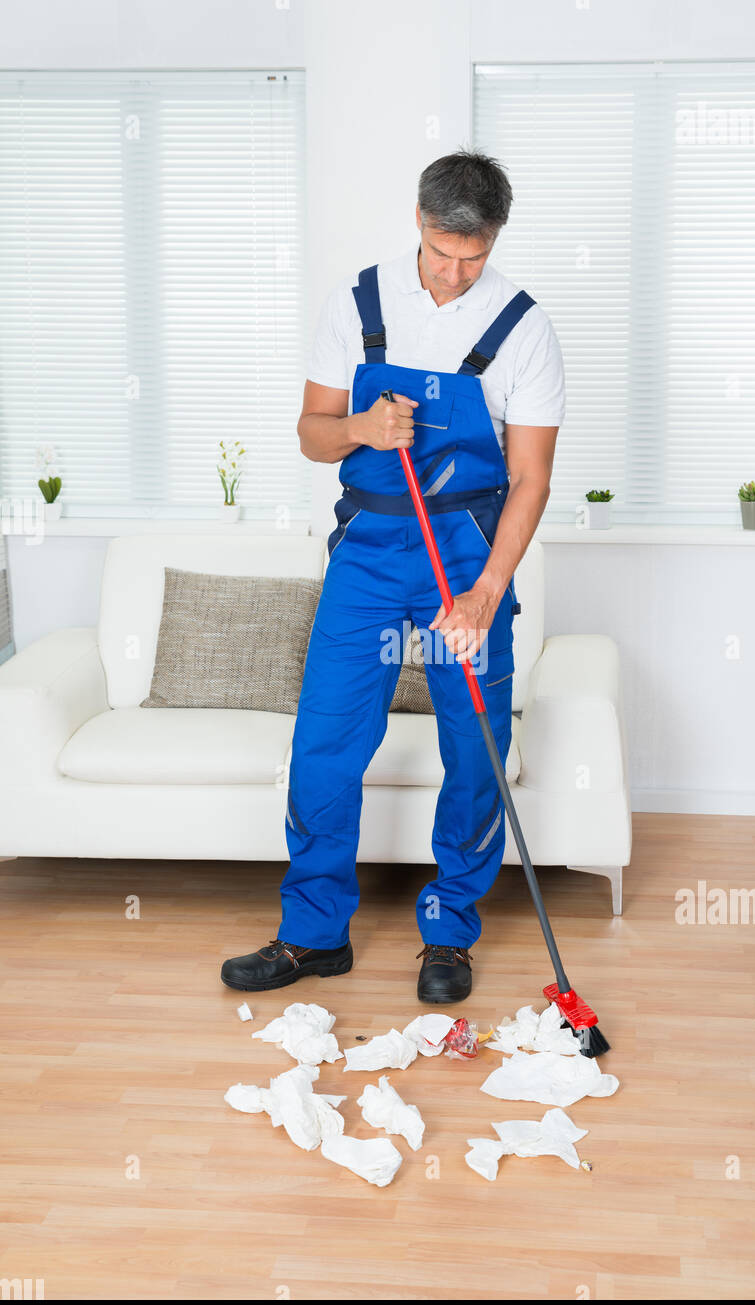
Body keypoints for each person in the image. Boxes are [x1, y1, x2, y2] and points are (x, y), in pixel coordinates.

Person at [221, 148, 565, 1005]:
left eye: (473, 258)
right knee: (326, 740)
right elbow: (310, 432)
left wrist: (485, 593)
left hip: (464, 558)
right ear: (419, 220)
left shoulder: (523, 328)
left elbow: (530, 479)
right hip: (369, 553)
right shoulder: (358, 301)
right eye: (444, 252)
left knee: (473, 746)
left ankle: (448, 932)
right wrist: (361, 429)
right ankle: (312, 933)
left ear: (495, 242)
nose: (454, 274)